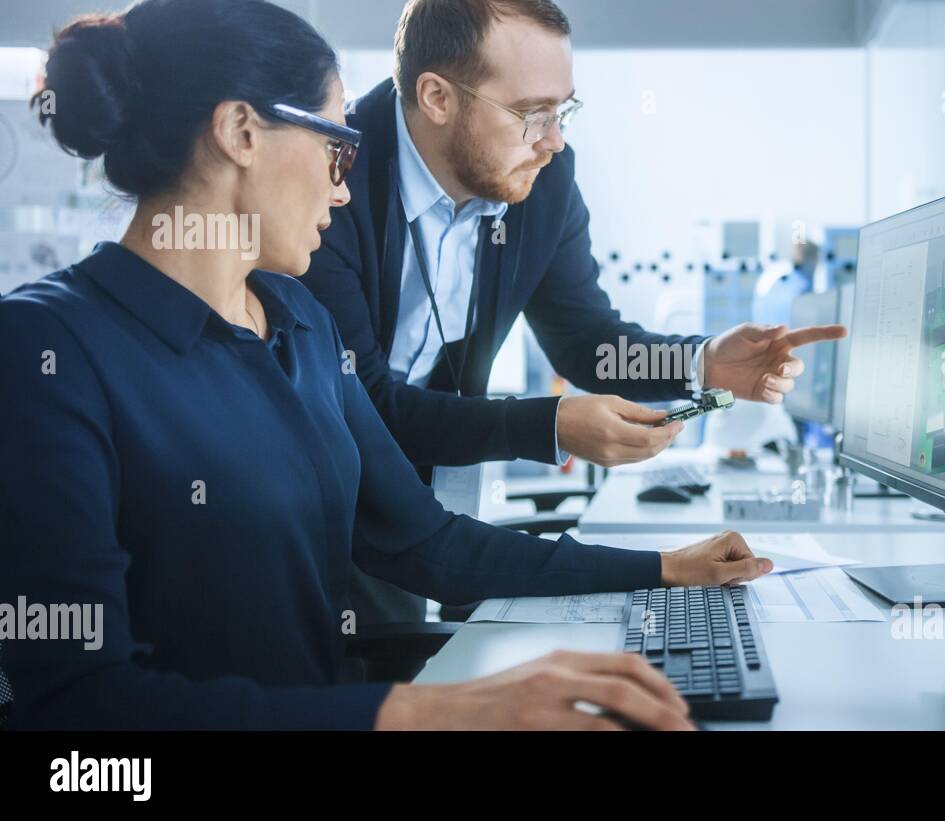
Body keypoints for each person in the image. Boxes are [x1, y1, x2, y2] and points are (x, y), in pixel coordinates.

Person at [0, 0, 770, 731]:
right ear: (241, 132)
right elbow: (81, 709)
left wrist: (664, 568)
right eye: (334, 147)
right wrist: (429, 712)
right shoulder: (45, 350)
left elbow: (427, 544)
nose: (343, 190)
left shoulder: (296, 320)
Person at [303, 0, 846, 627]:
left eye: (563, 111)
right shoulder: (331, 178)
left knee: (422, 648)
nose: (554, 141)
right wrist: (549, 426)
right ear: (437, 97)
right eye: (532, 114)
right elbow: (365, 401)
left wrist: (699, 364)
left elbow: (584, 339)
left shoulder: (545, 180)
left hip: (422, 494)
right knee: (363, 653)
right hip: (321, 487)